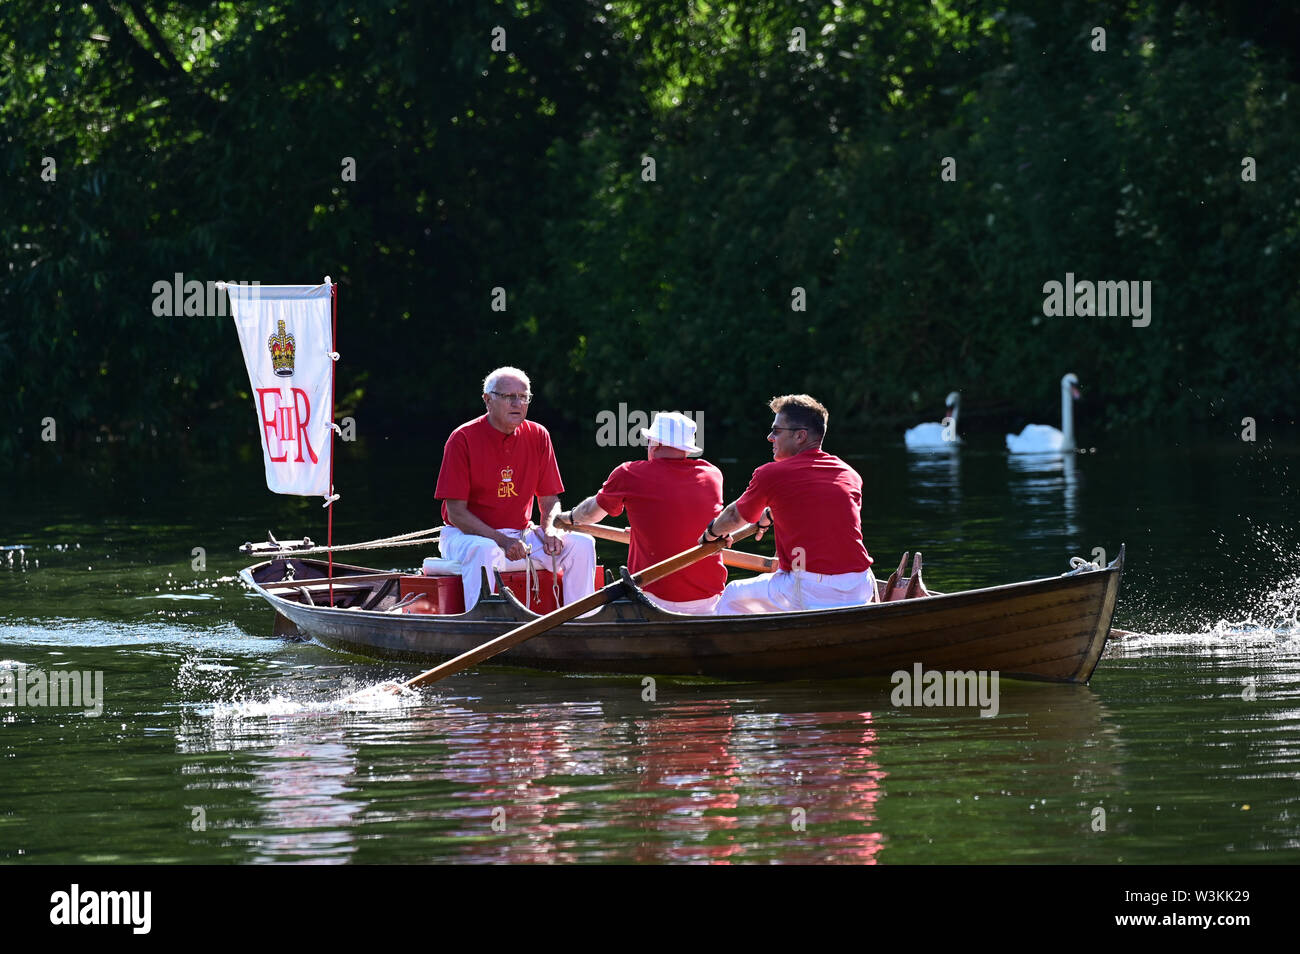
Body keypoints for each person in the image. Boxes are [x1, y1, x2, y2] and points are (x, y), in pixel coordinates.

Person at [435, 367, 597, 610]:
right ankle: (484, 627)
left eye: (523, 397)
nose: (517, 403)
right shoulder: (462, 438)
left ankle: (582, 624)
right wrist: (501, 540)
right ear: (487, 400)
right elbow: (456, 513)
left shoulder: (539, 435)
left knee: (583, 544)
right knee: (485, 549)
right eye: (509, 396)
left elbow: (550, 499)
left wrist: (550, 528)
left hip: (520, 536)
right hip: (466, 536)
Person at [702, 394, 875, 614]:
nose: (769, 437)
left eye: (776, 430)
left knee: (733, 594)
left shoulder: (771, 474)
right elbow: (821, 515)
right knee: (782, 577)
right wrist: (772, 513)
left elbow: (736, 516)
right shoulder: (848, 473)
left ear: (800, 436)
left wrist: (711, 534)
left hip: (811, 589)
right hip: (860, 585)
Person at [557, 412, 726, 614]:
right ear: (686, 449)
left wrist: (567, 518)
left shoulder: (629, 474)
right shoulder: (712, 474)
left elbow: (589, 514)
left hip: (654, 601)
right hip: (709, 600)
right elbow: (682, 519)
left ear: (655, 444)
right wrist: (643, 532)